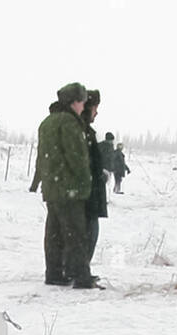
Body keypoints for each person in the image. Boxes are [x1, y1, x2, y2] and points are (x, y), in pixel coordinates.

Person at [32, 82, 96, 288]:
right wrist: (85, 185)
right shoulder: (70, 123)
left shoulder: (46, 123)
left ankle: (54, 273)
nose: (83, 106)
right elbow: (77, 158)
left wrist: (39, 182)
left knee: (54, 234)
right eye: (82, 102)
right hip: (70, 189)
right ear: (74, 102)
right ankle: (81, 277)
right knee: (75, 234)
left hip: (52, 189)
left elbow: (42, 157)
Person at [82, 90, 108, 267]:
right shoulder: (82, 132)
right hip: (88, 194)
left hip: (90, 191)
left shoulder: (86, 131)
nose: (96, 113)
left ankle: (82, 269)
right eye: (95, 108)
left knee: (90, 233)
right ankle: (81, 269)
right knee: (89, 233)